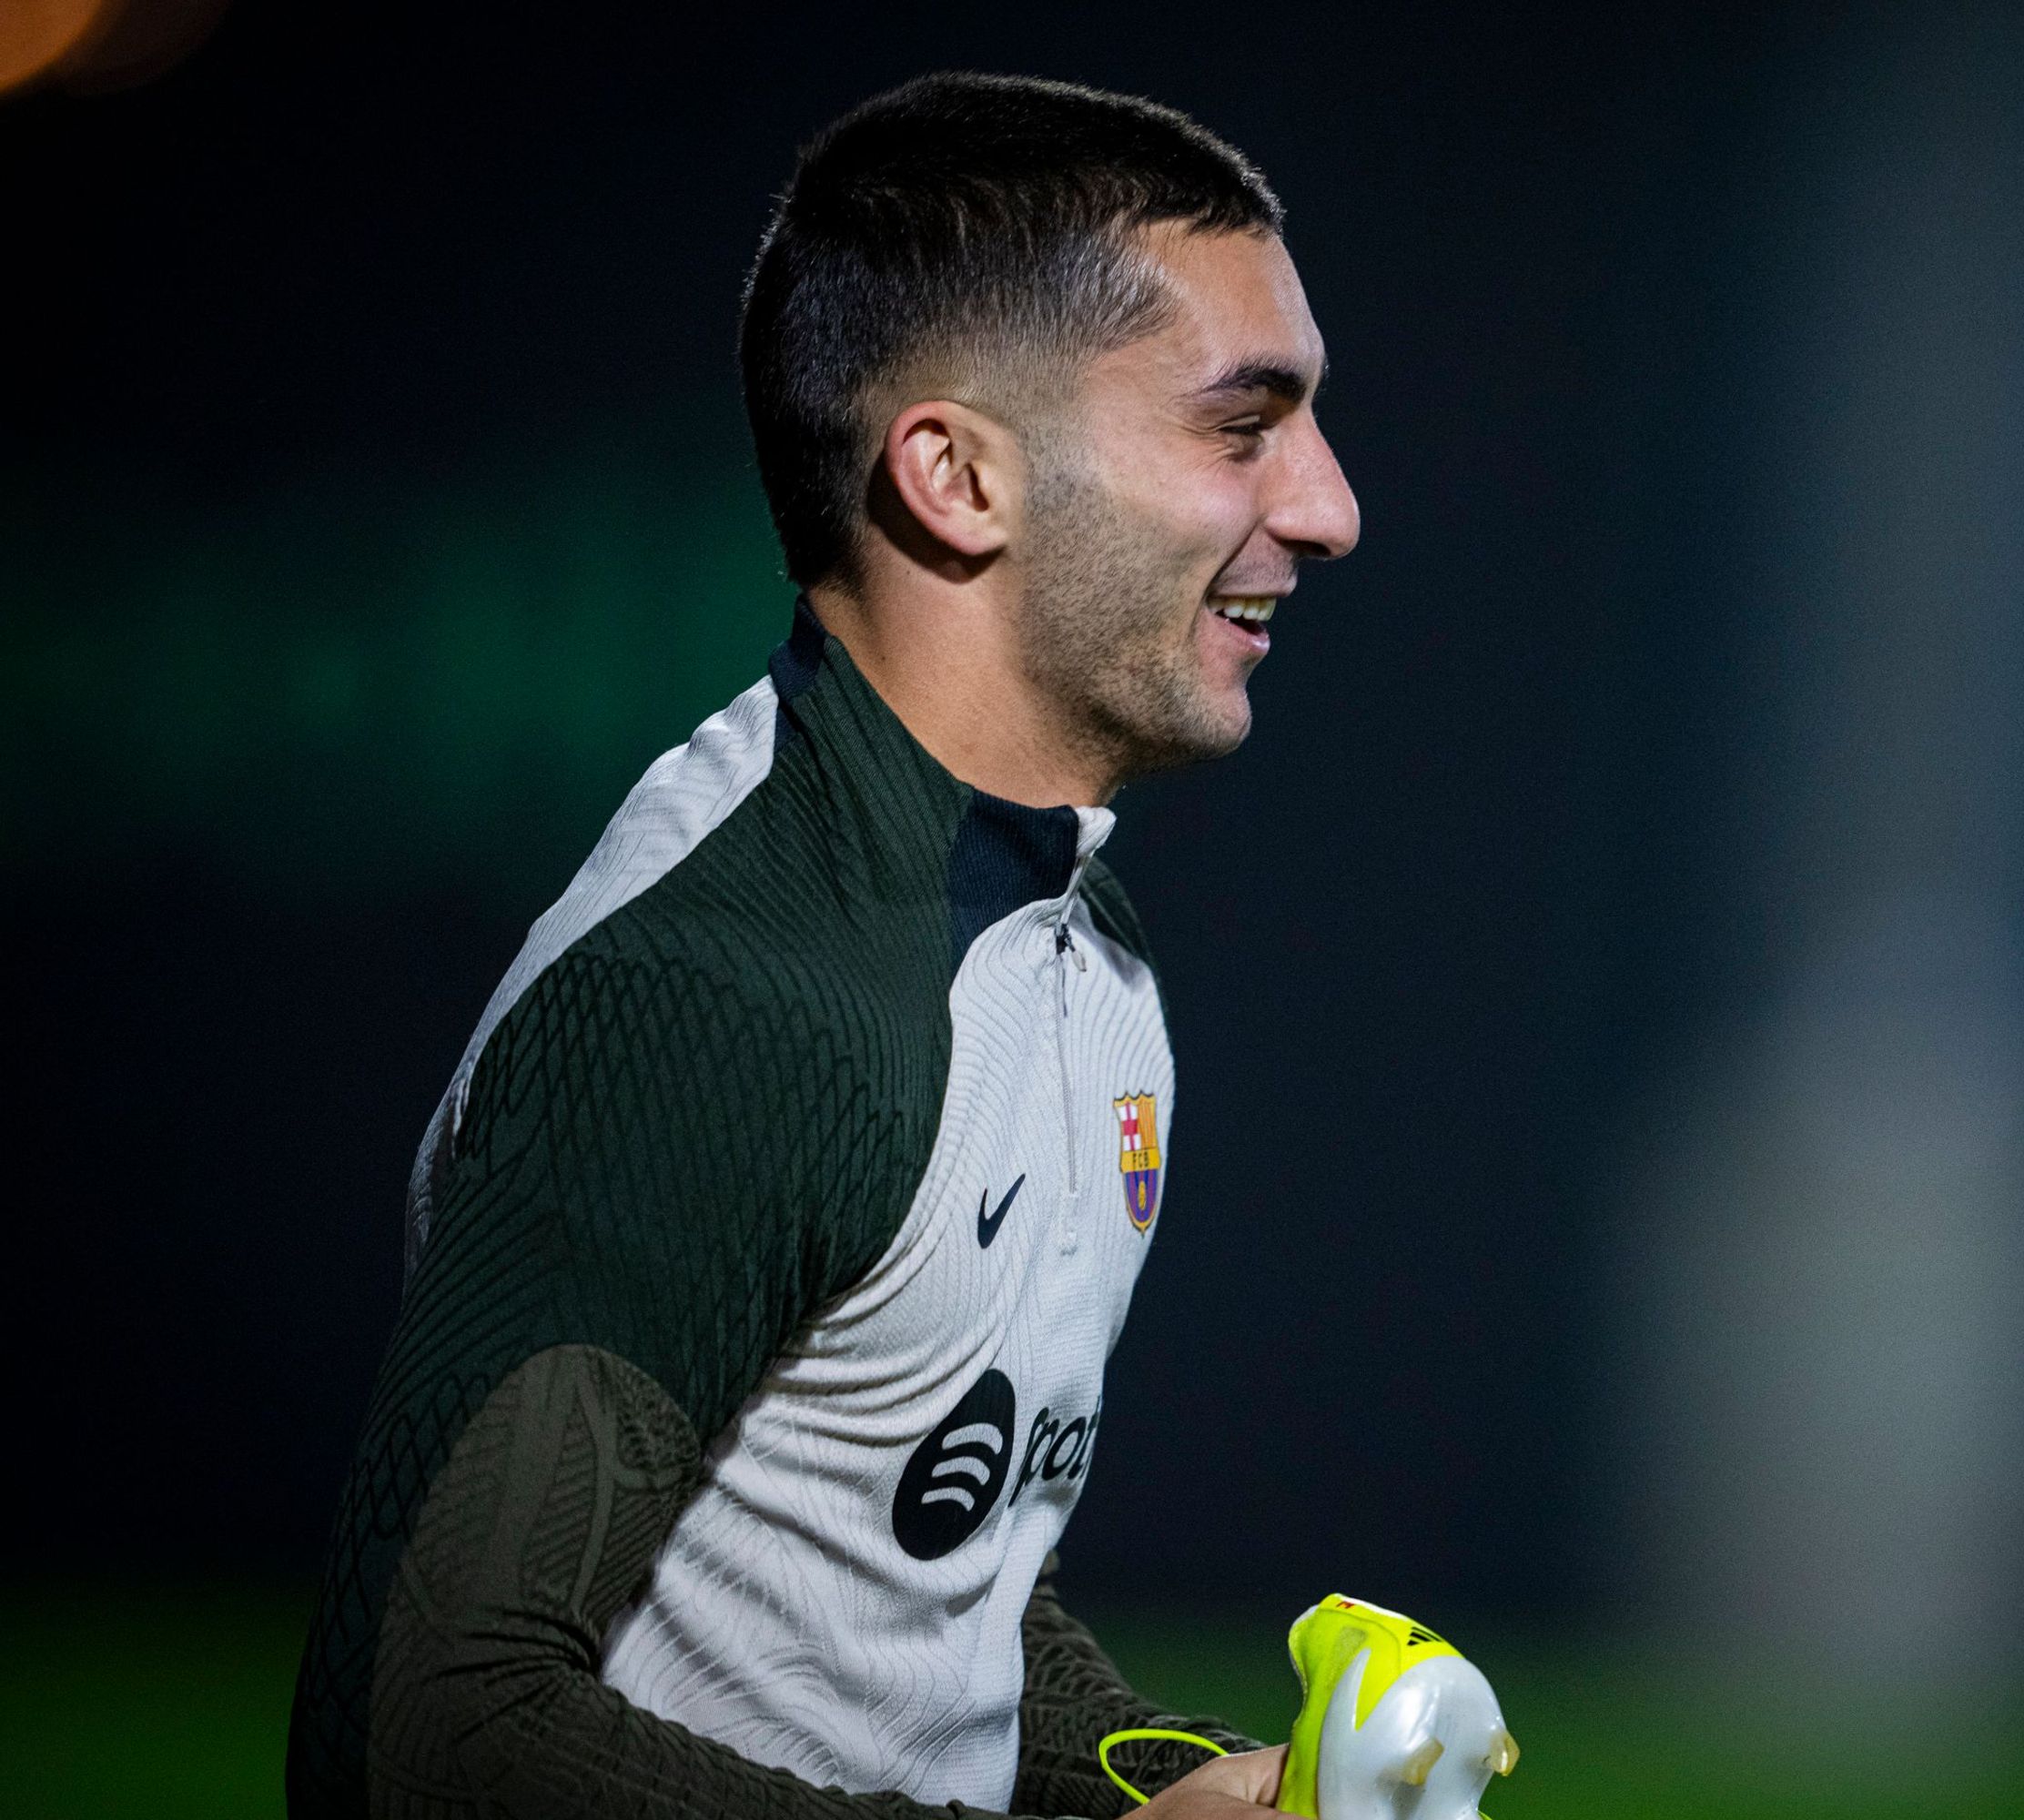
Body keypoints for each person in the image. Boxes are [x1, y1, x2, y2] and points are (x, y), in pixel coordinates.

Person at [284, 71, 1360, 1819]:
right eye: (1243, 426)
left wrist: (1172, 1783)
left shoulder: (1074, 941)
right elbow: (423, 1738)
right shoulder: (717, 998)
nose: (1326, 507)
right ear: (957, 476)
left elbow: (913, 1598)